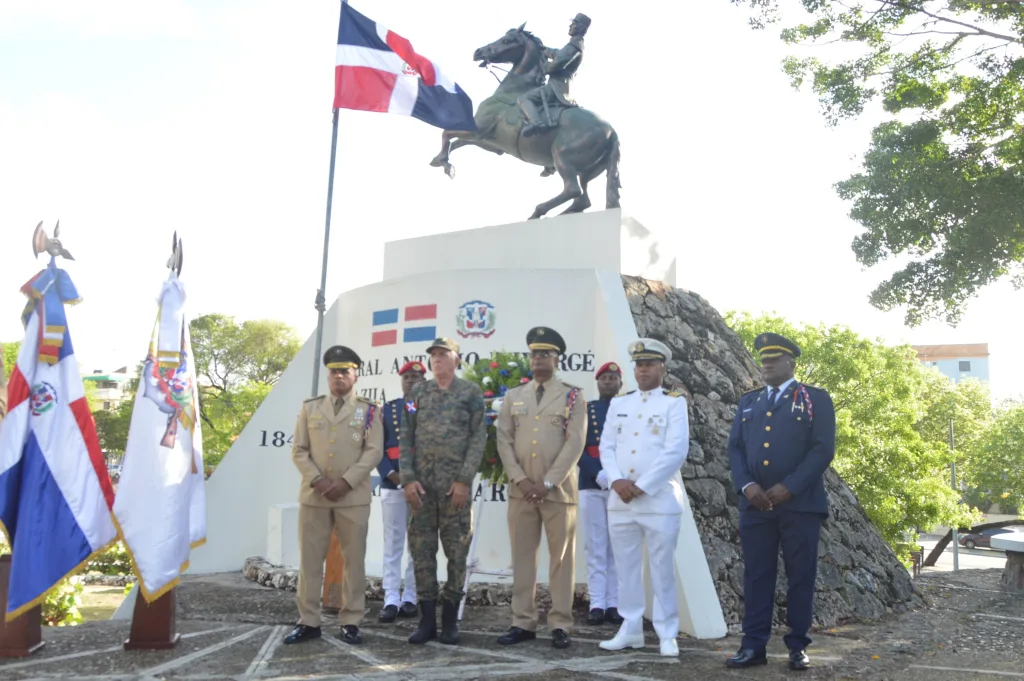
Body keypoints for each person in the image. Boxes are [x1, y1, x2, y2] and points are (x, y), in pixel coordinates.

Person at [725, 333, 836, 672]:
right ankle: (753, 645)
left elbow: (822, 449)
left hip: (800, 505)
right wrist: (746, 485)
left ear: (791, 363)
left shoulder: (815, 399)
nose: (767, 363)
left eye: (775, 358)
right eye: (764, 358)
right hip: (755, 506)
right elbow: (736, 449)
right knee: (757, 576)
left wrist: (790, 486)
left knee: (800, 576)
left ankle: (797, 646)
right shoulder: (749, 402)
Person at [284, 345, 383, 646]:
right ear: (328, 376)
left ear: (356, 375)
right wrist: (316, 479)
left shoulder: (369, 410)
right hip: (315, 496)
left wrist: (345, 481)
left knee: (354, 561)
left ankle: (351, 621)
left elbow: (374, 451)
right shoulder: (310, 407)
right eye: (334, 372)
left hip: (352, 497)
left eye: (345, 371)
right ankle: (308, 621)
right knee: (310, 561)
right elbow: (298, 449)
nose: (339, 376)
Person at [495, 326, 586, 649]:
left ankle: (561, 623)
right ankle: (523, 621)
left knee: (561, 560)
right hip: (522, 492)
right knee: (522, 559)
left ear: (557, 359)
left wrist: (547, 483)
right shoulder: (513, 397)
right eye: (534, 354)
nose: (538, 359)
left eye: (545, 354)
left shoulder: (573, 396)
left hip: (558, 493)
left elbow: (575, 443)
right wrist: (521, 479)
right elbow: (503, 440)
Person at [597, 339, 689, 657]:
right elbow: (606, 446)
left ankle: (666, 633)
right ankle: (631, 628)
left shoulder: (673, 403)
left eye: (649, 364)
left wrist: (642, 485)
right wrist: (617, 481)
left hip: (659, 499)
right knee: (626, 568)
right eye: (638, 364)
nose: (643, 369)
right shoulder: (620, 404)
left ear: (662, 367)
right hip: (620, 500)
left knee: (662, 568)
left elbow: (675, 451)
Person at [400, 338, 487, 645]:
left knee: (457, 555)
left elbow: (479, 437)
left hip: (455, 492)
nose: (437, 360)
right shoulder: (416, 394)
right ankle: (426, 623)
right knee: (422, 555)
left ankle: (450, 622)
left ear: (456, 359)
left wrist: (464, 480)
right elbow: (405, 434)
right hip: (422, 490)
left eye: (443, 355)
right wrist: (408, 479)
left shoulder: (471, 393)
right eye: (433, 356)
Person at [376, 360, 426, 623]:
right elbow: (377, 449)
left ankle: (411, 597)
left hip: (422, 487)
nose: (410, 381)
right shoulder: (388, 409)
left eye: (416, 377)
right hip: (393, 484)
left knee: (417, 543)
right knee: (393, 543)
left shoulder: (430, 408)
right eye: (406, 377)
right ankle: (391, 598)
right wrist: (393, 475)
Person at [578, 361, 624, 626]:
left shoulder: (627, 411)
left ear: (620, 383)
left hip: (620, 484)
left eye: (613, 378)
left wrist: (615, 475)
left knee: (617, 545)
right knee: (595, 545)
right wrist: (597, 473)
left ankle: (614, 603)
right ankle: (597, 603)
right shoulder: (587, 411)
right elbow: (578, 446)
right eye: (604, 378)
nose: (608, 382)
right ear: (597, 383)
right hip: (591, 481)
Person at [518, 13, 590, 136]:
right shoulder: (574, 44)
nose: (570, 25)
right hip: (557, 85)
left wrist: (543, 67)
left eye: (574, 23)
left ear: (581, 28)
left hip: (556, 88)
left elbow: (557, 64)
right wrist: (544, 49)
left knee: (524, 98)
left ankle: (536, 123)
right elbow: (559, 54)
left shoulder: (575, 46)